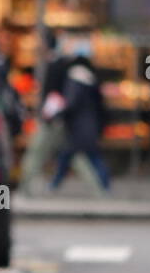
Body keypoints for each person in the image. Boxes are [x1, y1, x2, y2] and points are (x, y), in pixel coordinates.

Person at [20, 29, 103, 195]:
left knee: (37, 154)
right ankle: (98, 190)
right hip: (59, 119)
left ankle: (25, 189)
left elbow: (60, 95)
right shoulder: (61, 64)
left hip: (53, 119)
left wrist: (50, 113)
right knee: (74, 155)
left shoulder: (55, 65)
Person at [49, 46, 110, 192]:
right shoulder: (90, 79)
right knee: (75, 155)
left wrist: (59, 114)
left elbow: (71, 102)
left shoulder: (75, 79)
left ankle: (103, 186)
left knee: (86, 156)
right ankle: (55, 183)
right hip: (88, 124)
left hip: (78, 126)